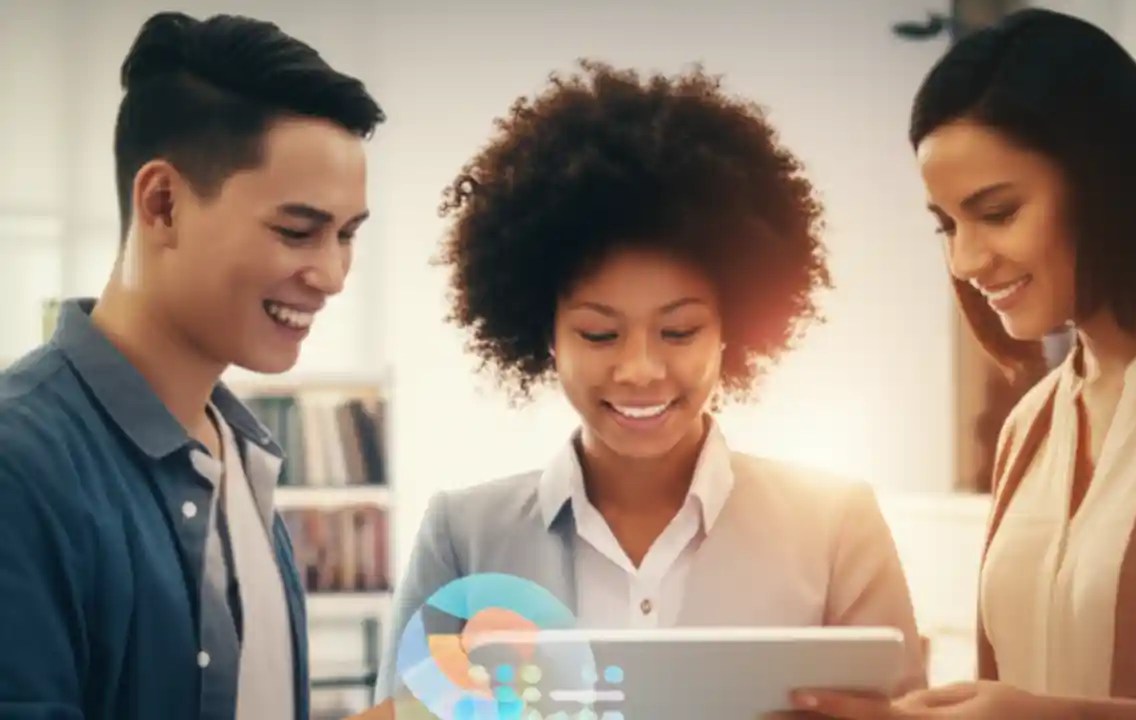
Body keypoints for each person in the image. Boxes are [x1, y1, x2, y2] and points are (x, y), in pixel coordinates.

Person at [372, 60, 926, 714]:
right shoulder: (463, 536)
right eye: (600, 335)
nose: (639, 370)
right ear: (544, 335)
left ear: (732, 329)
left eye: (680, 330)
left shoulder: (838, 529)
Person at [790, 8, 1136, 720]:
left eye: (997, 211)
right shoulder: (1031, 426)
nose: (965, 260)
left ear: (1105, 181)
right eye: (947, 225)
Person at [0, 11, 384, 720]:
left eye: (347, 236)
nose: (332, 274)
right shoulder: (20, 465)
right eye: (297, 231)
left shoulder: (242, 461)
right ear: (162, 204)